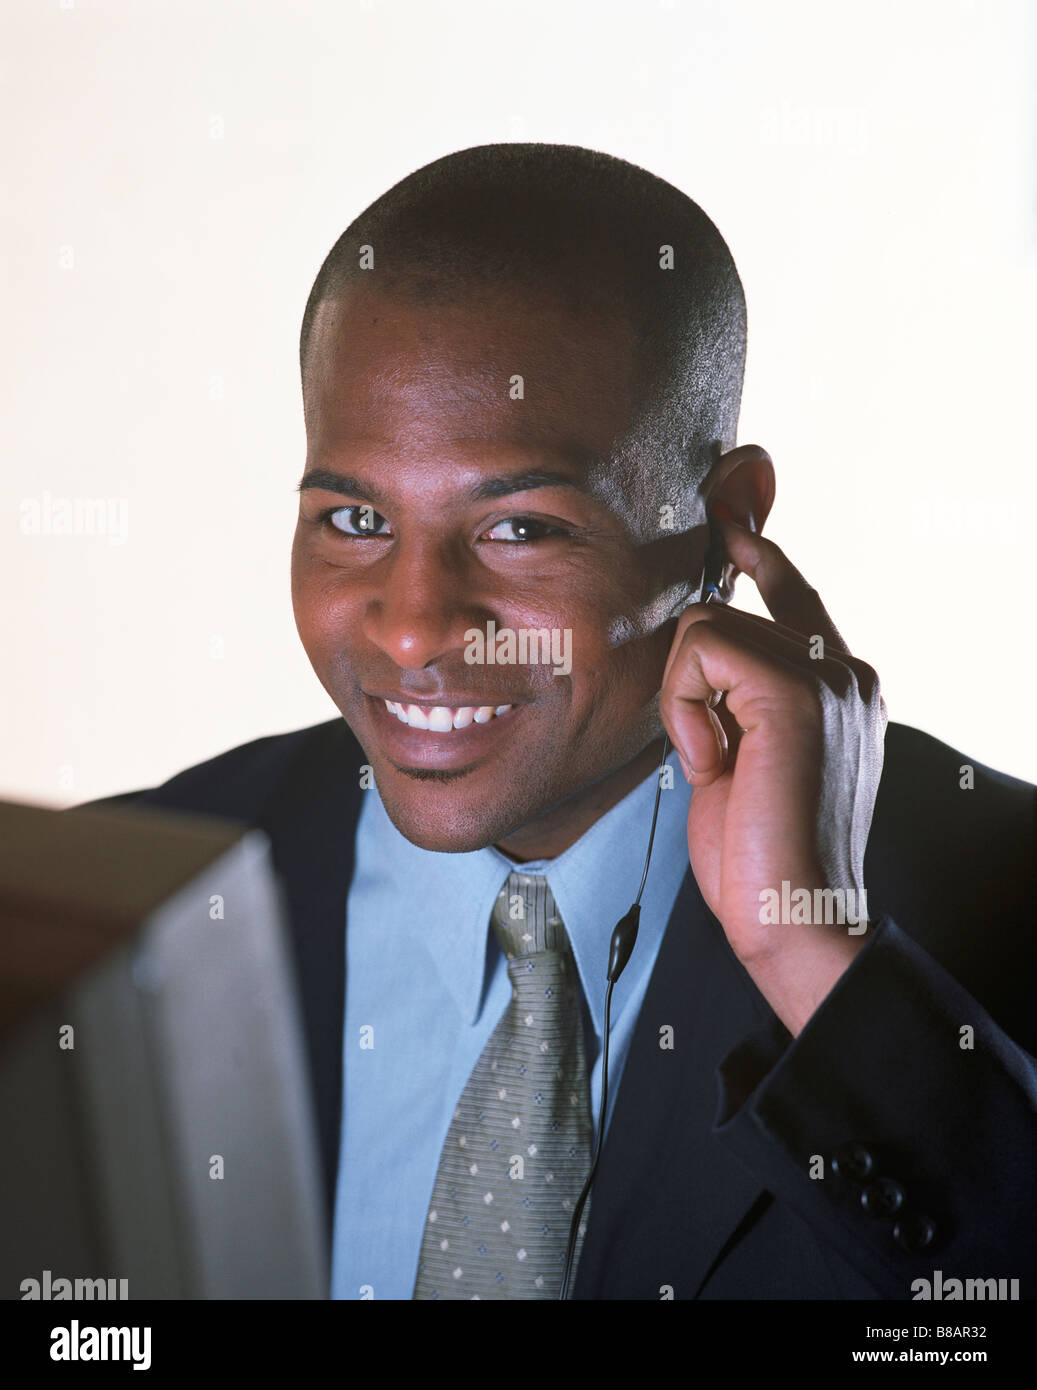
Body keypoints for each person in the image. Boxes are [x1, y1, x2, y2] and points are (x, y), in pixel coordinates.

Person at [89, 143, 1036, 1300]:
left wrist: (812, 956)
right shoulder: (114, 908)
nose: (410, 629)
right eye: (351, 517)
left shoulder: (1003, 896)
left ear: (722, 520)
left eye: (520, 529)